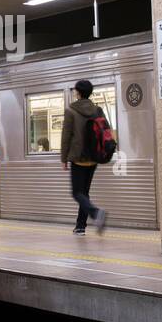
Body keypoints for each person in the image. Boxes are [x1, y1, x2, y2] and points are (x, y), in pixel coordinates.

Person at [60, 79, 107, 236]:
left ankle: (95, 213)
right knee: (84, 192)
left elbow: (66, 136)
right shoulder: (97, 110)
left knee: (77, 193)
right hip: (93, 157)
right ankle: (80, 226)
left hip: (78, 158)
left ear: (78, 93)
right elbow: (105, 131)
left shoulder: (71, 111)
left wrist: (63, 159)